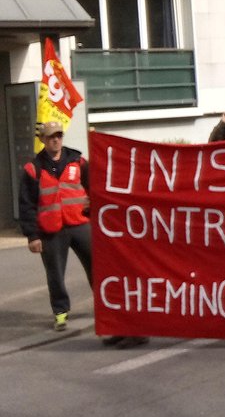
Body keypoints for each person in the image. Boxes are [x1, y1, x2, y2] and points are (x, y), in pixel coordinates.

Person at [18, 122, 148, 348]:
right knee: (55, 274)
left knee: (99, 269)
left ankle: (106, 309)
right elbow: (26, 205)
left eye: (59, 136)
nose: (56, 140)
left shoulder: (78, 161)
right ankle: (61, 312)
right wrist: (32, 236)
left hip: (80, 224)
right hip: (51, 230)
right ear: (44, 140)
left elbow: (95, 189)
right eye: (51, 137)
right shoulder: (33, 168)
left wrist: (98, 217)